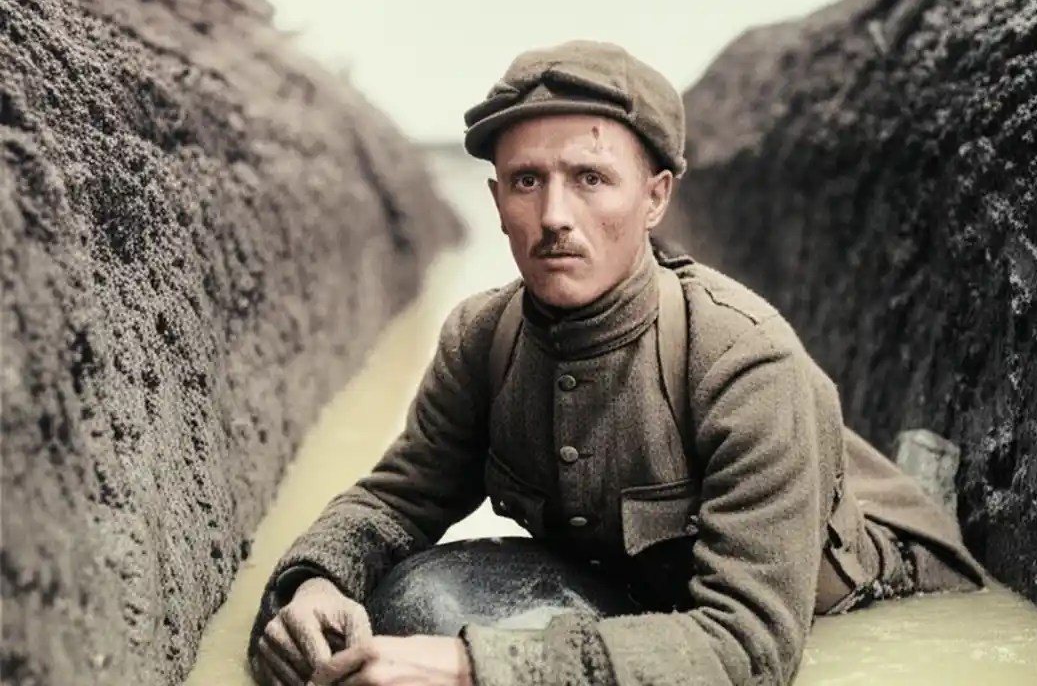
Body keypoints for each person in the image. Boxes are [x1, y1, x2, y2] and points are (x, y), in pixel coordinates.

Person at [247, 40, 985, 686]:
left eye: (591, 178)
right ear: (497, 201)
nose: (556, 215)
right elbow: (395, 498)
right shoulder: (482, 337)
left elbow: (749, 651)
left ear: (656, 197)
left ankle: (932, 480)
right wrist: (315, 581)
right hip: (637, 587)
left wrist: (475, 669)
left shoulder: (742, 357)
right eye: (527, 181)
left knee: (907, 511)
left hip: (857, 584)